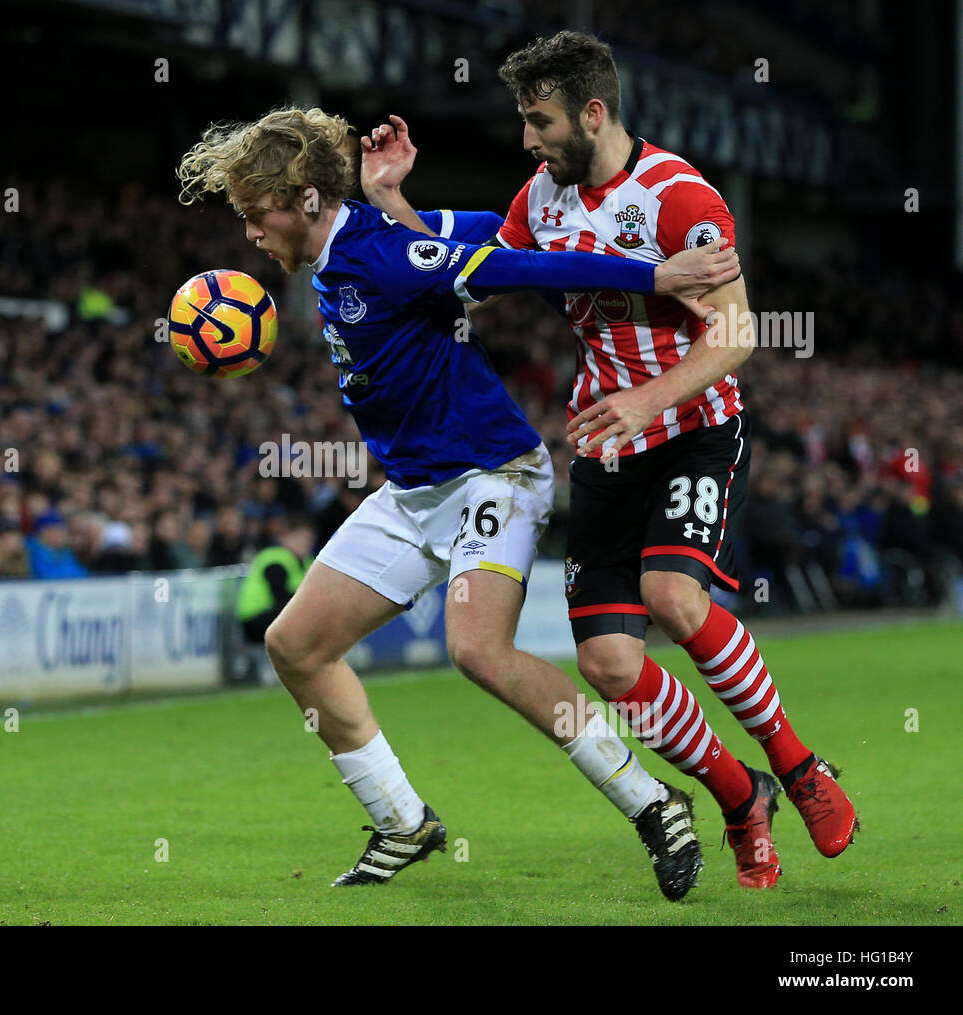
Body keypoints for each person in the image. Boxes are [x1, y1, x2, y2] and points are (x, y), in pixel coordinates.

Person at [176, 105, 738, 897]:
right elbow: (485, 233)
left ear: (302, 198)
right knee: (294, 644)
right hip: (412, 492)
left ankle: (653, 803)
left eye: (253, 211)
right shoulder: (352, 251)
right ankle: (402, 822)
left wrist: (656, 275)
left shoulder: (380, 256)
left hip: (492, 476)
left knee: (479, 650)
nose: (248, 233)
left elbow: (510, 267)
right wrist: (395, 193)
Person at [362, 31, 856, 889]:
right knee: (608, 666)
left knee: (672, 595)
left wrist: (648, 398)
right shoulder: (539, 199)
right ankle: (743, 796)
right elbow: (470, 269)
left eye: (539, 120)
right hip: (609, 442)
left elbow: (737, 333)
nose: (528, 140)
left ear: (593, 113)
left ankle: (801, 764)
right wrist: (393, 203)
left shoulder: (679, 195)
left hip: (696, 425)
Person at [235, 515, 316, 685]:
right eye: (300, 538)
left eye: (308, 539)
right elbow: (280, 594)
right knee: (299, 609)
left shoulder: (307, 561)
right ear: (285, 537)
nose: (305, 544)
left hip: (274, 616)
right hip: (256, 618)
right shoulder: (274, 558)